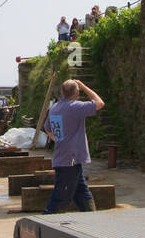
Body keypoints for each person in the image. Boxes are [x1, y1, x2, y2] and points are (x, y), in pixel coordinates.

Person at [43, 79, 104, 214]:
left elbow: (47, 128)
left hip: (66, 159)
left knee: (83, 194)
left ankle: (92, 219)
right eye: (78, 90)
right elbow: (99, 103)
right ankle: (44, 222)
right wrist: (84, 86)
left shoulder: (54, 108)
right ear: (76, 92)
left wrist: (59, 140)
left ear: (62, 93)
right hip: (69, 161)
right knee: (60, 198)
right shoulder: (75, 107)